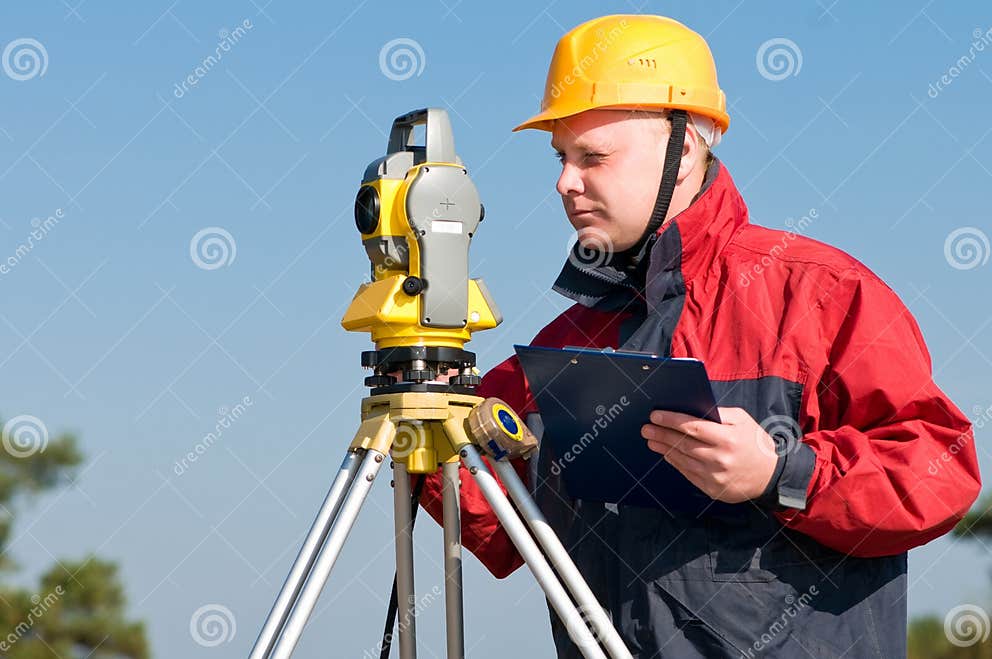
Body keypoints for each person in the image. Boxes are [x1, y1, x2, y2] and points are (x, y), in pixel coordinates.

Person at [422, 14, 981, 658]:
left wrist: (782, 472)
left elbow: (940, 471)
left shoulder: (820, 293)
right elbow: (498, 525)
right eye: (562, 158)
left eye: (593, 156)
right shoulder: (568, 343)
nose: (565, 182)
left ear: (683, 148)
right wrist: (430, 427)